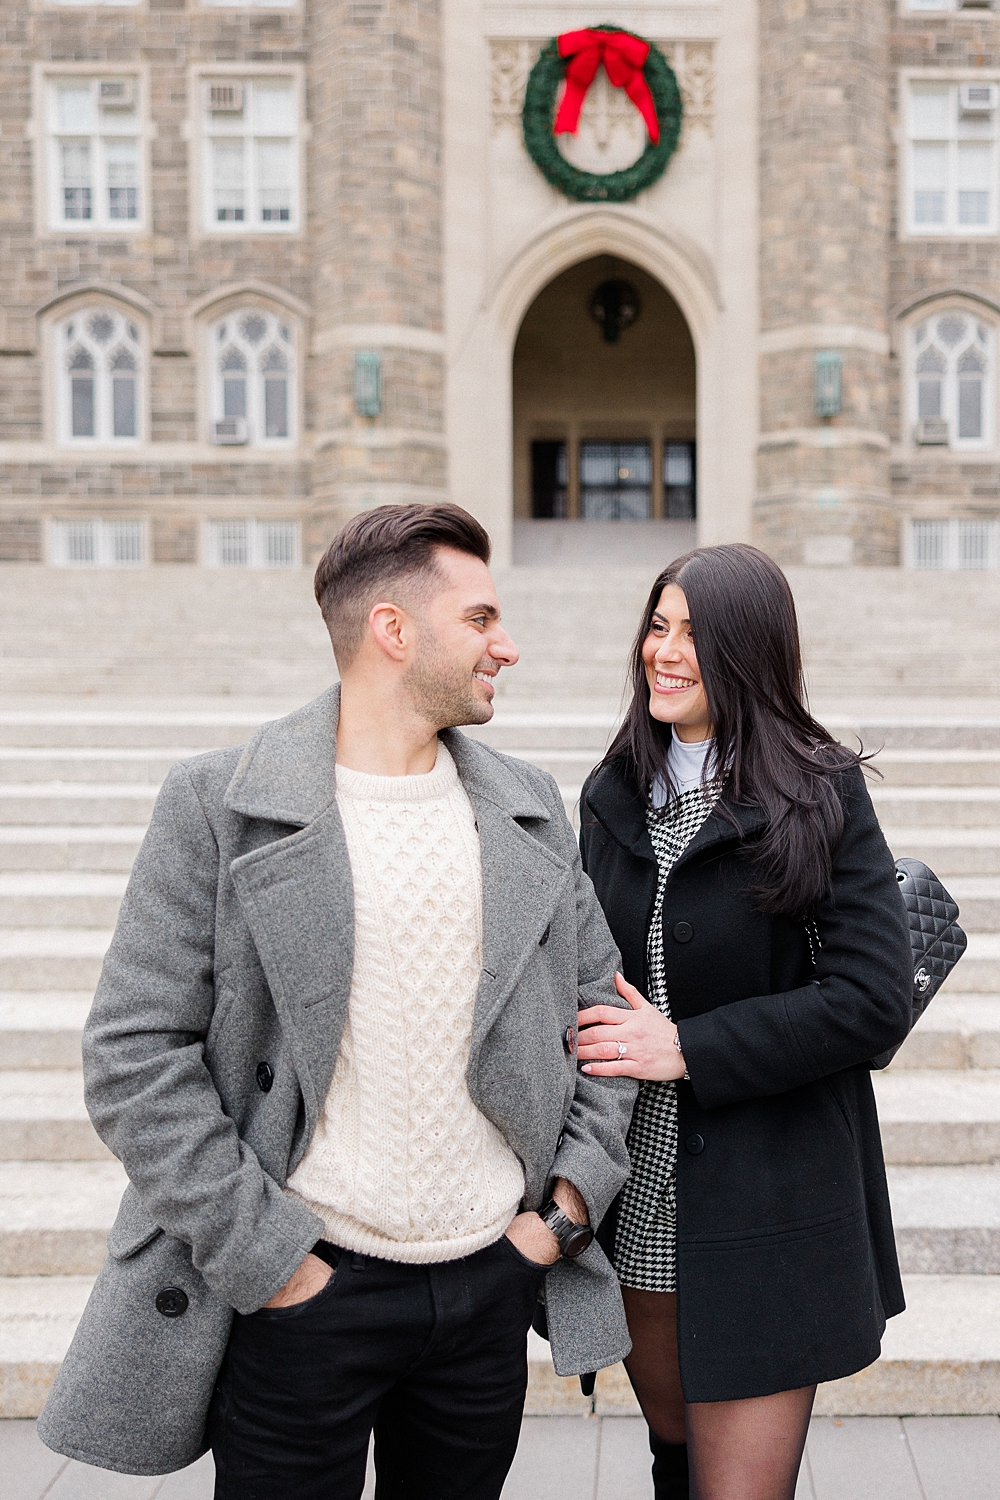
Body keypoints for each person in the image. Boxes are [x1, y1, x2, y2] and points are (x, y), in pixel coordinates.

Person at [37, 502, 637, 1499]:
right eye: (481, 619)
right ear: (393, 631)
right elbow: (133, 1057)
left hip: (489, 1285)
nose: (507, 646)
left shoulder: (528, 806)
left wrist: (558, 1221)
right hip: (303, 1290)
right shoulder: (217, 804)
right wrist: (273, 1262)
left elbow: (603, 1023)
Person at [574, 544, 912, 1500]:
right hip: (640, 1190)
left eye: (693, 633)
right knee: (675, 1461)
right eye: (657, 626)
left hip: (771, 1197)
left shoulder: (819, 790)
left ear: (749, 651)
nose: (664, 652)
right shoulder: (612, 791)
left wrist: (687, 1046)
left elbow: (872, 999)